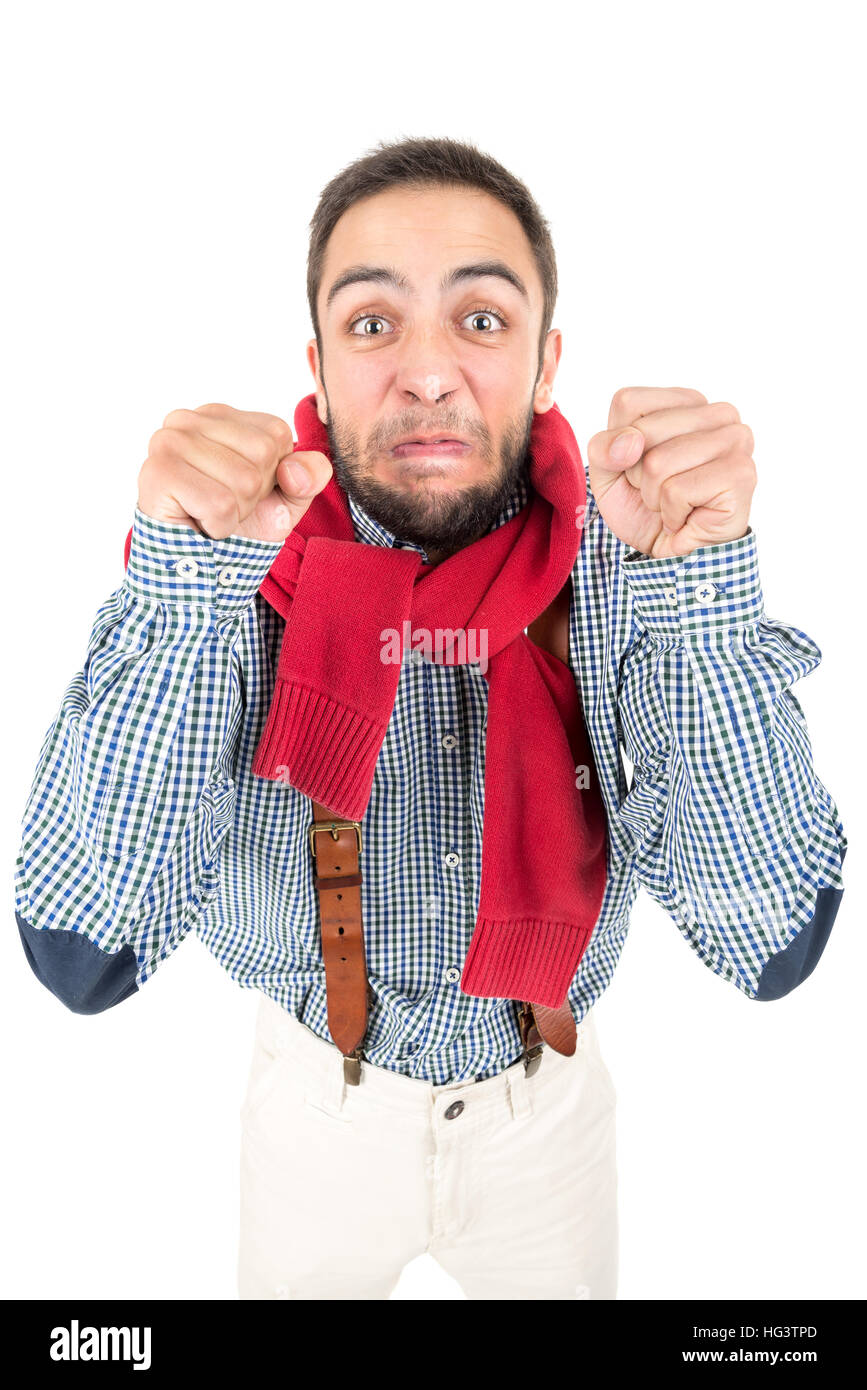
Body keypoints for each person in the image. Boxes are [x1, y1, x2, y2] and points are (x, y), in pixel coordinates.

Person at [13, 136, 846, 1302]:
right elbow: (85, 948)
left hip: (546, 1112)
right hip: (313, 1112)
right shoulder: (233, 567)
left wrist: (701, 593)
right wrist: (177, 590)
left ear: (549, 363)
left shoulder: (633, 560)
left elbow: (769, 940)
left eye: (482, 321)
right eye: (371, 324)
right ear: (316, 361)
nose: (428, 372)